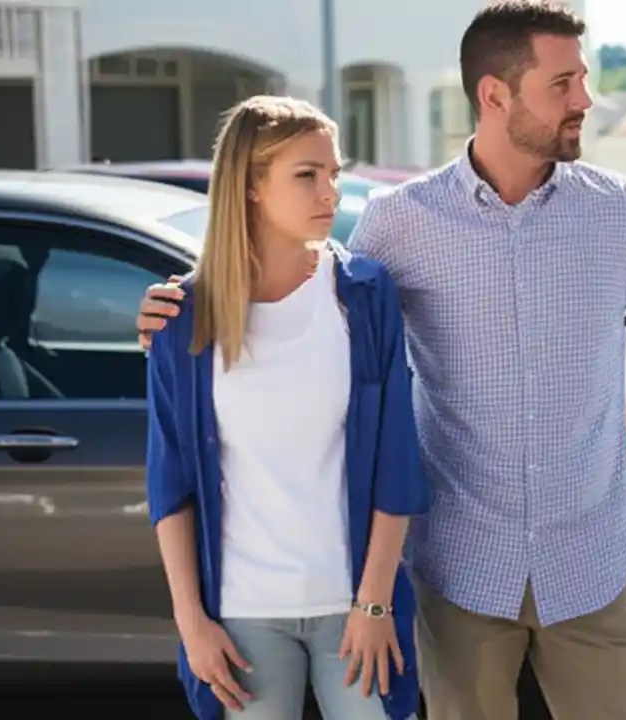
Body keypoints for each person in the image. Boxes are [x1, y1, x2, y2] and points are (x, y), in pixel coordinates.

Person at [137, 2, 626, 718]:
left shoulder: (618, 211)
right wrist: (181, 305)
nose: (585, 101)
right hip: (460, 568)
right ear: (495, 95)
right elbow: (308, 302)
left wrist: (624, 435)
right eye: (562, 83)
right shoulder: (400, 224)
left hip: (589, 564)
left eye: (582, 80)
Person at [144, 95, 428, 720]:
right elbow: (171, 489)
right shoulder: (183, 320)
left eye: (333, 173)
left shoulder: (363, 294)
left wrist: (375, 601)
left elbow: (397, 461)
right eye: (307, 175)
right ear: (250, 185)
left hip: (354, 606)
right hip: (243, 614)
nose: (330, 191)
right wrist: (192, 625)